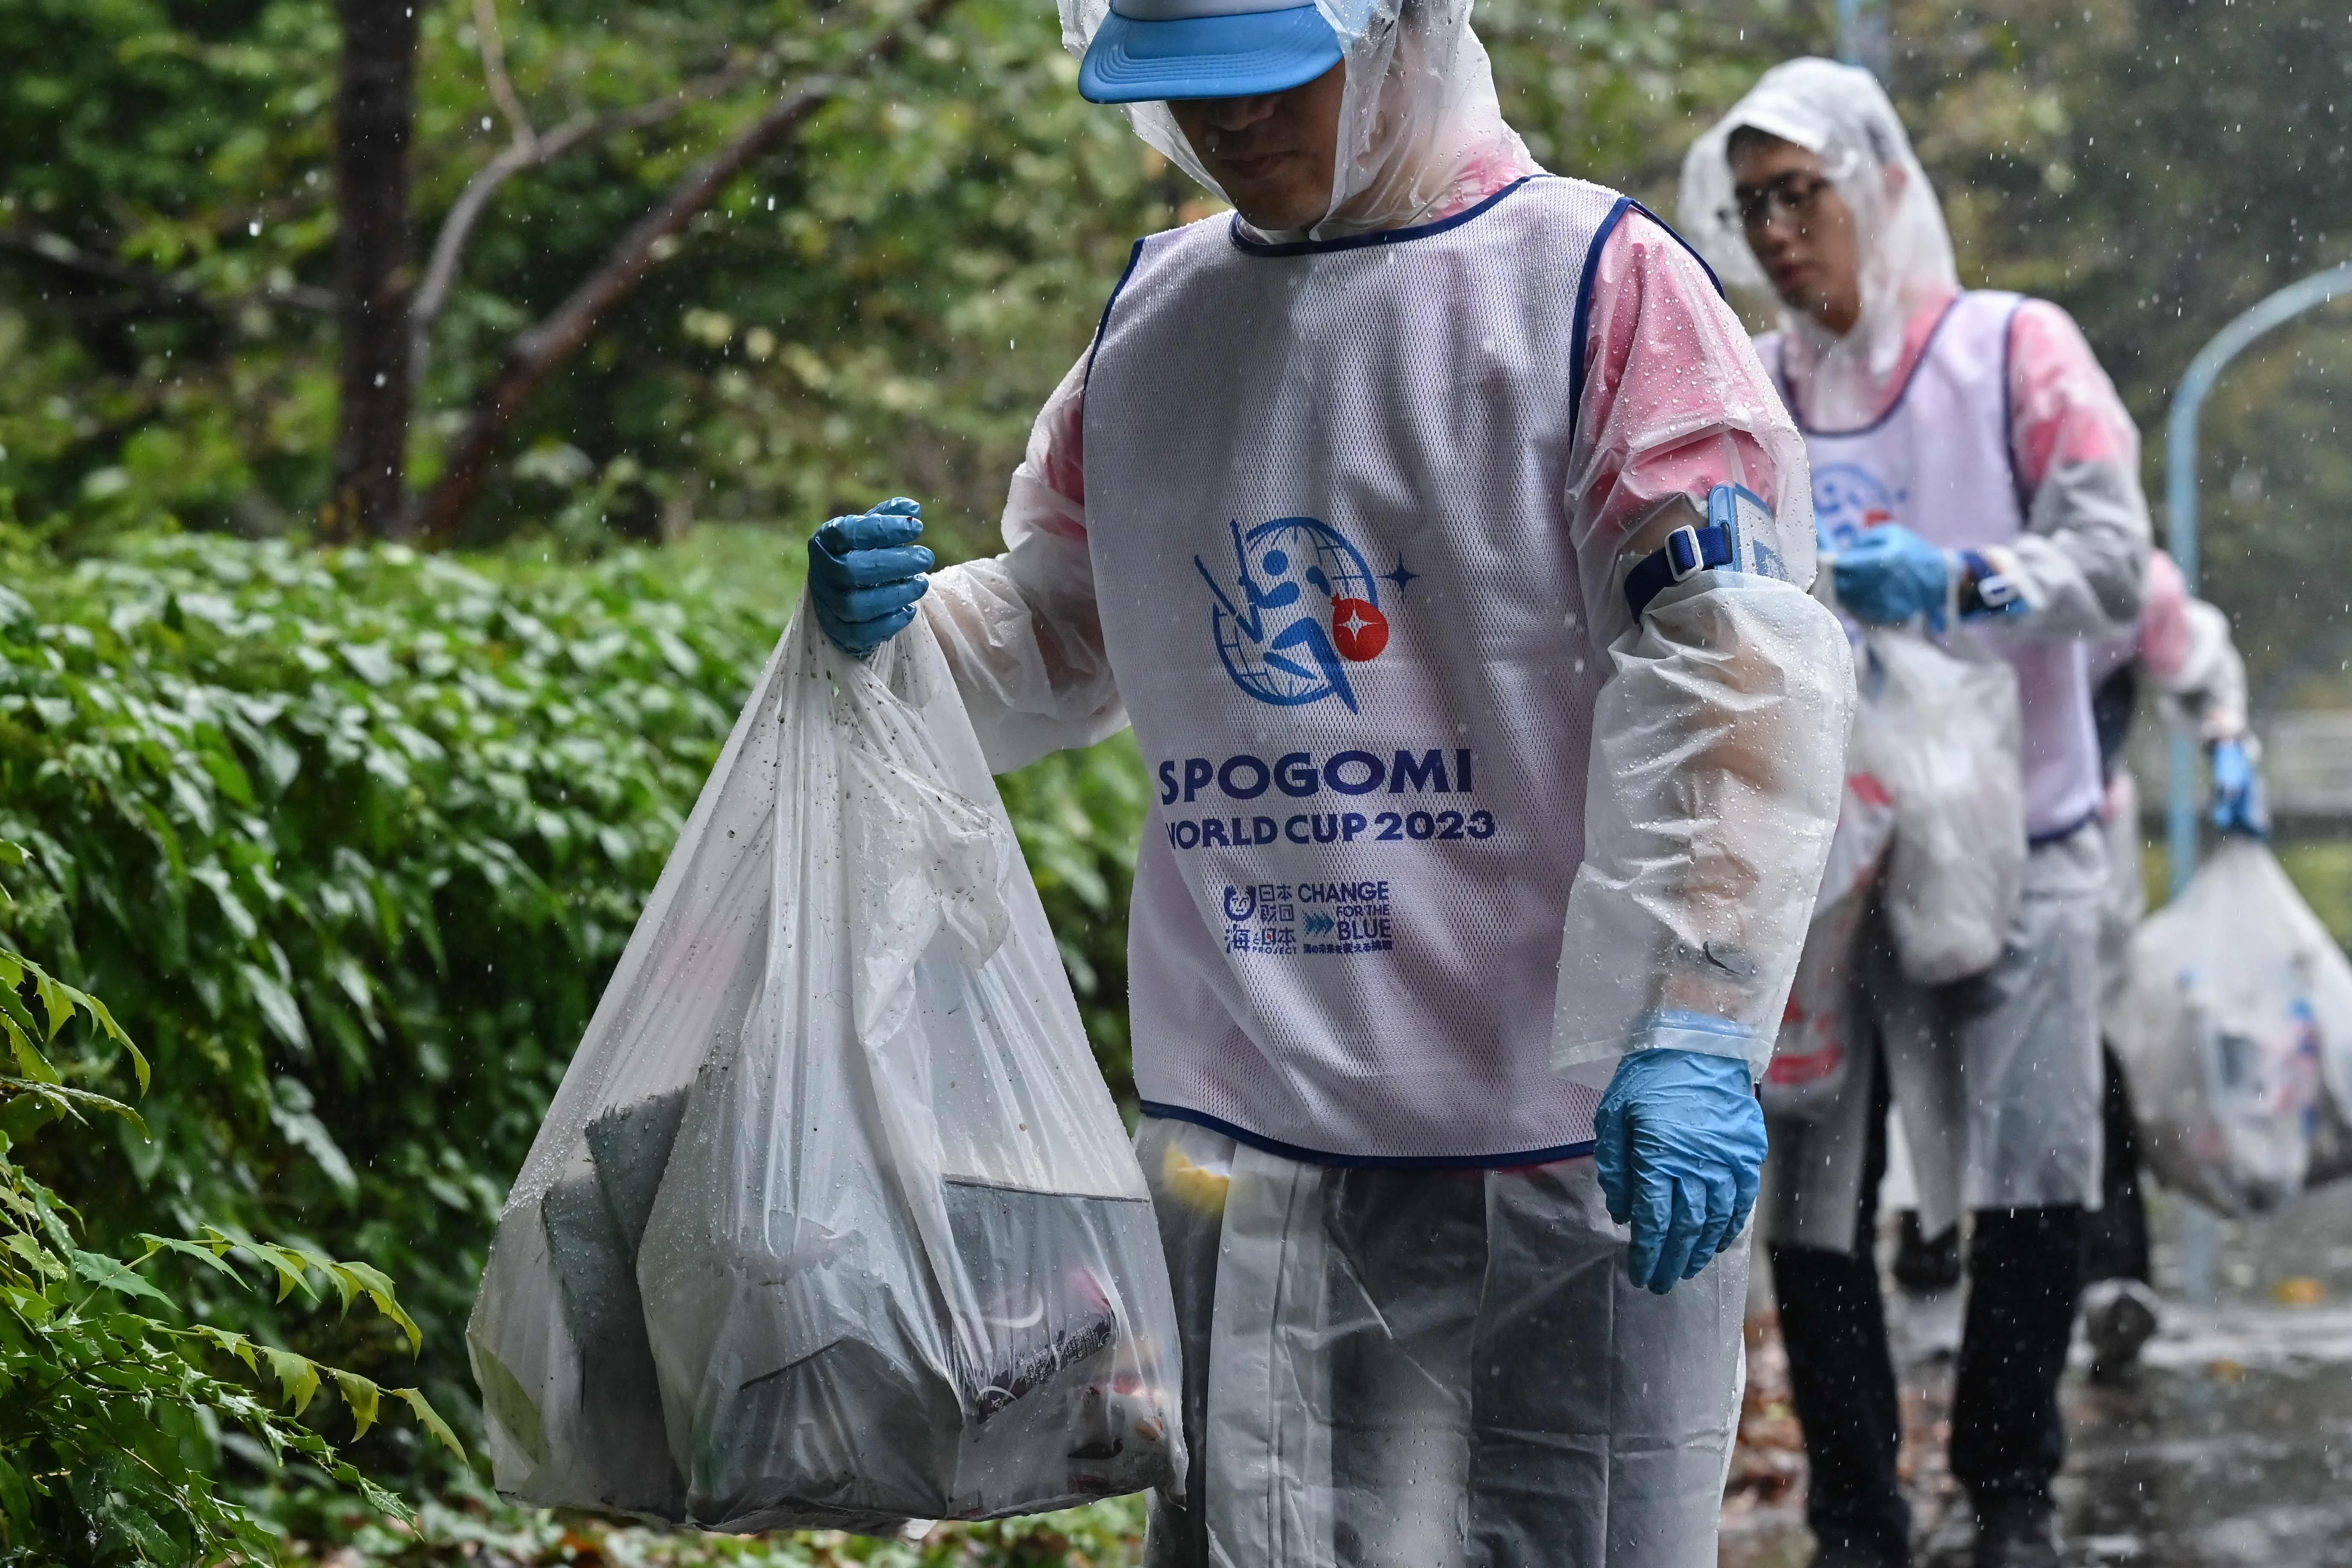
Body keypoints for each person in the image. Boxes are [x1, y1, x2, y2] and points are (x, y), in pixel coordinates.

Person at [802, 0, 1856, 1560]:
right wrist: (901, 637)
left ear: (1398, 34)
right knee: (1254, 1531)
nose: (1229, 123)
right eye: (1191, 90)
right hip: (1246, 1125)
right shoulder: (1156, 321)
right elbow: (1077, 623)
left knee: (1555, 1522)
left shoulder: (1595, 286)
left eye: (1268, 73)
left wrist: (1696, 1017)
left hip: (1559, 1135)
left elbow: (1733, 660)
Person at [1679, 59, 2153, 1568]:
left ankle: (2011, 1494)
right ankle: (1857, 1508)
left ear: (1875, 185)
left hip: (2023, 834)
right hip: (1827, 849)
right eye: (1752, 205)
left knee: (2029, 1169)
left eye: (1799, 193)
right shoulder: (1752, 387)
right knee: (1813, 1190)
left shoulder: (2015, 353)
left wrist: (1958, 579)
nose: (1776, 231)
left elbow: (2112, 561)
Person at [2076, 548, 2260, 1373]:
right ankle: (1937, 1279)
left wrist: (2228, 739)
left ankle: (2112, 1279)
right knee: (1929, 1068)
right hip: (1915, 836)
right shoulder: (1897, 519)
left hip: (2075, 848)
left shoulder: (2109, 566)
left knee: (2085, 1068)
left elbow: (2191, 654)